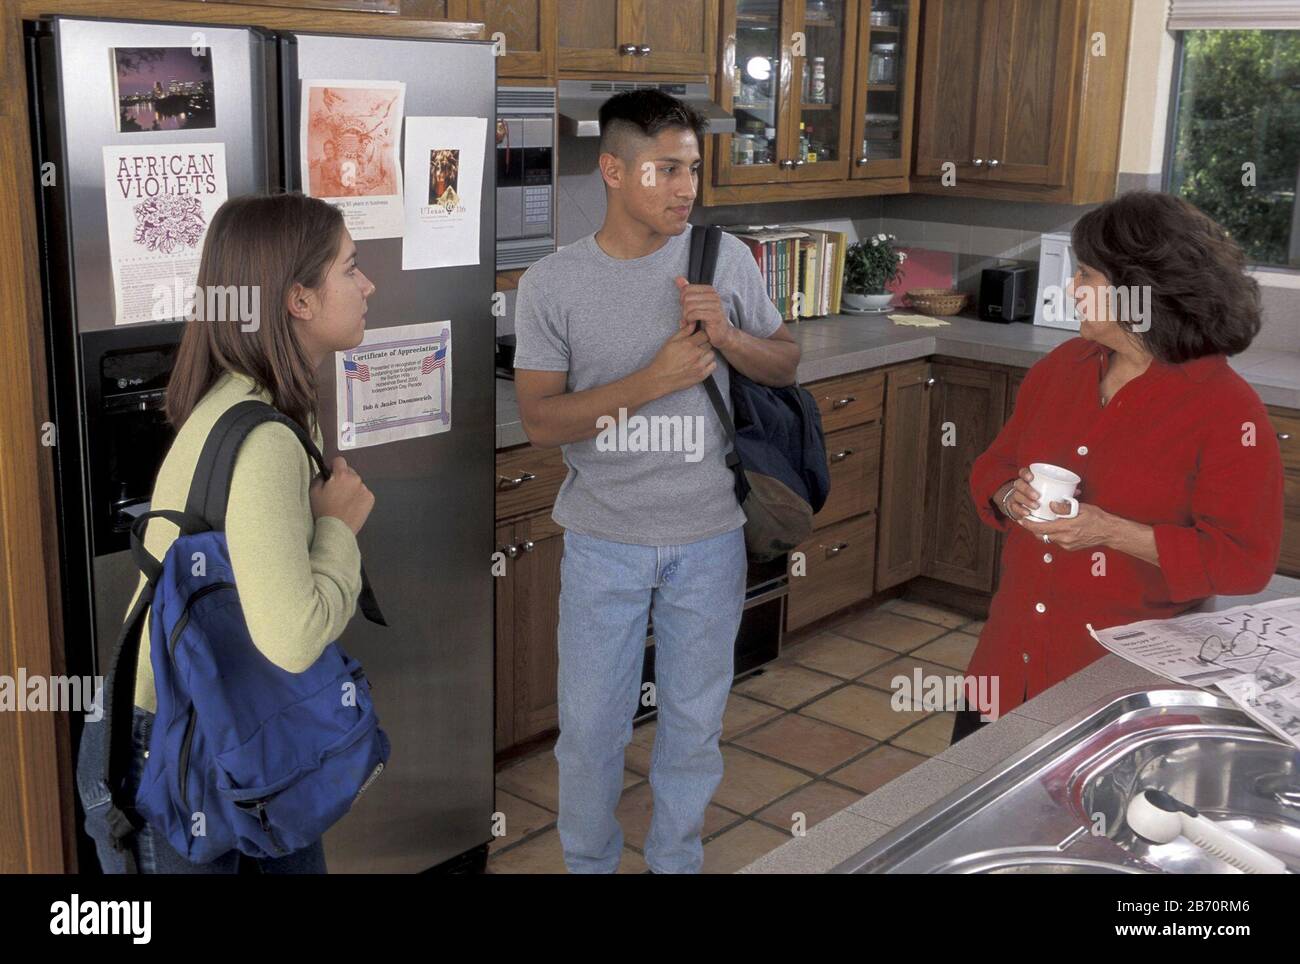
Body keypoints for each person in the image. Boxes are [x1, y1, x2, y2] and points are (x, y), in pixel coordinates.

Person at [512, 90, 801, 873]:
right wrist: (654, 376)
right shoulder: (551, 284)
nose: (686, 187)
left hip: (711, 536)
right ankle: (589, 864)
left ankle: (677, 862)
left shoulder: (723, 259)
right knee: (592, 728)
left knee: (693, 724)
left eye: (694, 170)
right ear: (612, 169)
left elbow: (786, 361)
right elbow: (543, 420)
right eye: (665, 169)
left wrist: (730, 334)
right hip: (604, 539)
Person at [76, 192, 378, 872]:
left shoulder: (260, 403)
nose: (368, 285)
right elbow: (295, 638)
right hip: (184, 745)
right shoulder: (266, 435)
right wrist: (339, 530)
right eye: (351, 268)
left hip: (232, 720)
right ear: (298, 299)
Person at [953, 191, 1284, 743]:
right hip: (1005, 664)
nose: (1072, 290)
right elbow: (996, 464)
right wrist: (1009, 494)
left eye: (1086, 275)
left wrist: (1110, 533)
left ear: (1140, 290)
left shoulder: (1226, 409)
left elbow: (1244, 563)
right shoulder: (1062, 367)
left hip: (1121, 692)